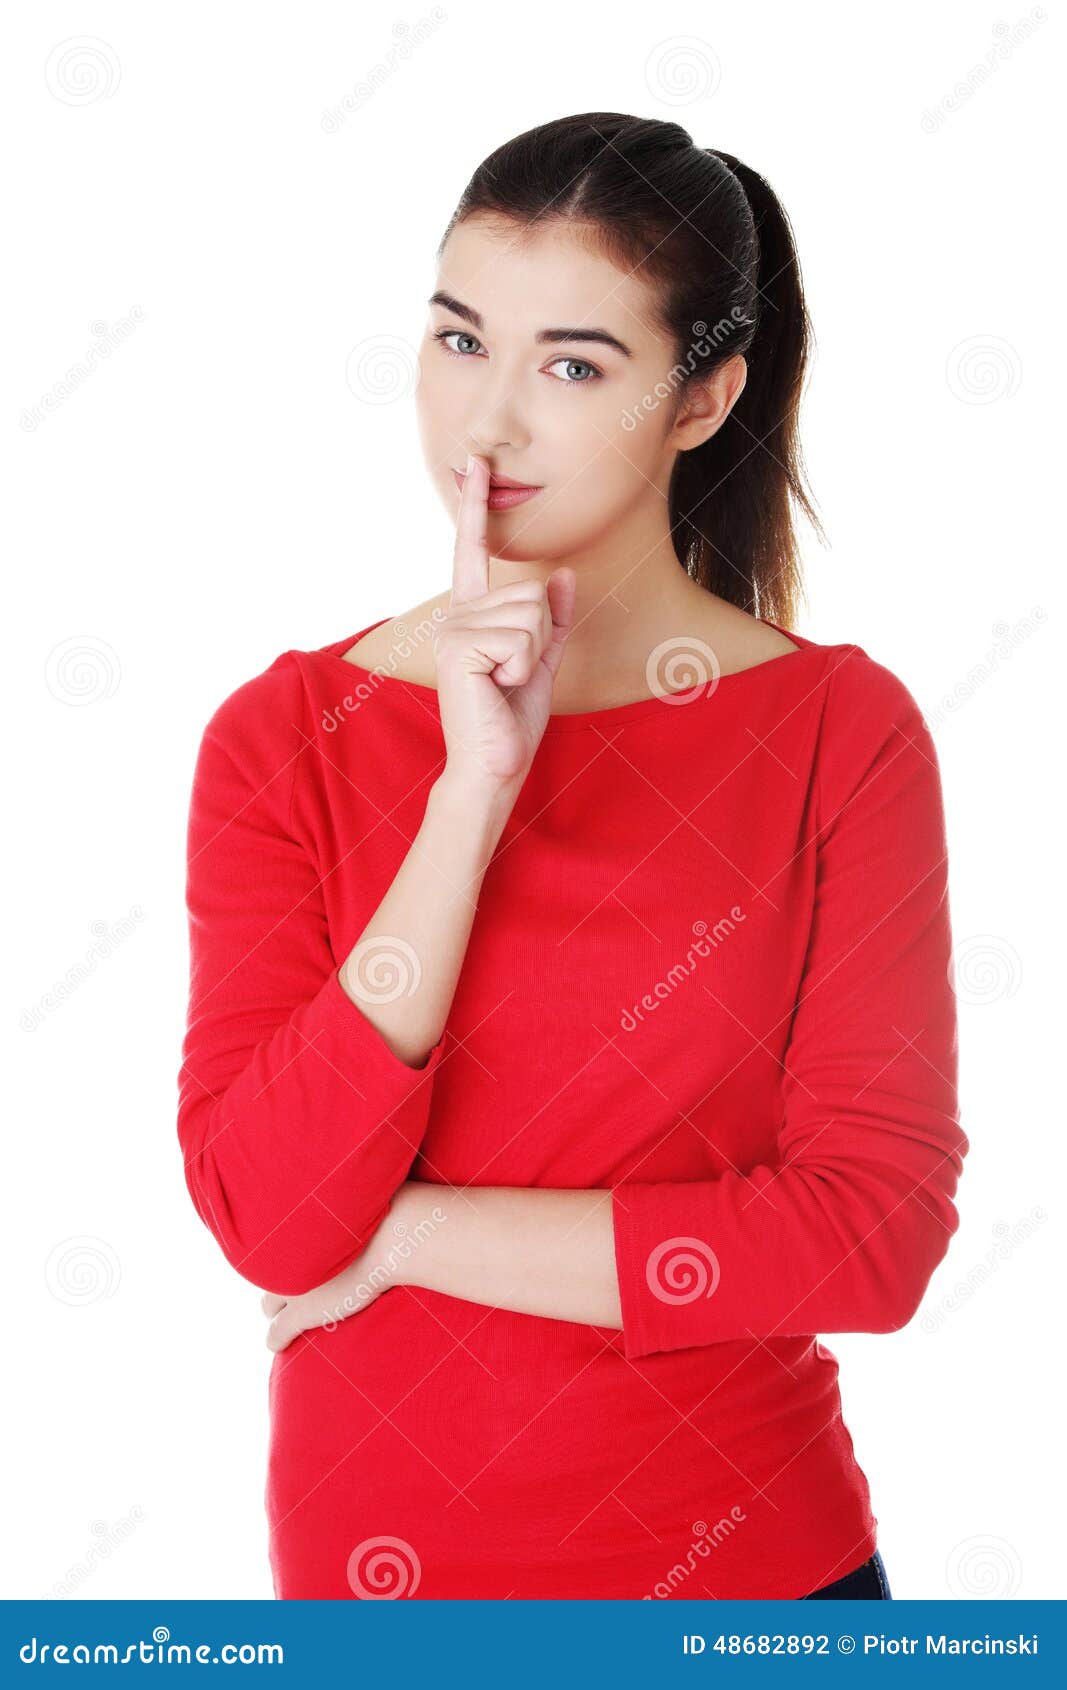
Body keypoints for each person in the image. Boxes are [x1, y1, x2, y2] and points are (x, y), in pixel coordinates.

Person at [177, 112, 967, 1601]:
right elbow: (274, 1218)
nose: (485, 427)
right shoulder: (286, 735)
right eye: (460, 339)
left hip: (760, 1589)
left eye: (574, 366)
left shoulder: (836, 733)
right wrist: (469, 797)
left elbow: (869, 1237)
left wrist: (408, 1235)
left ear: (702, 396)